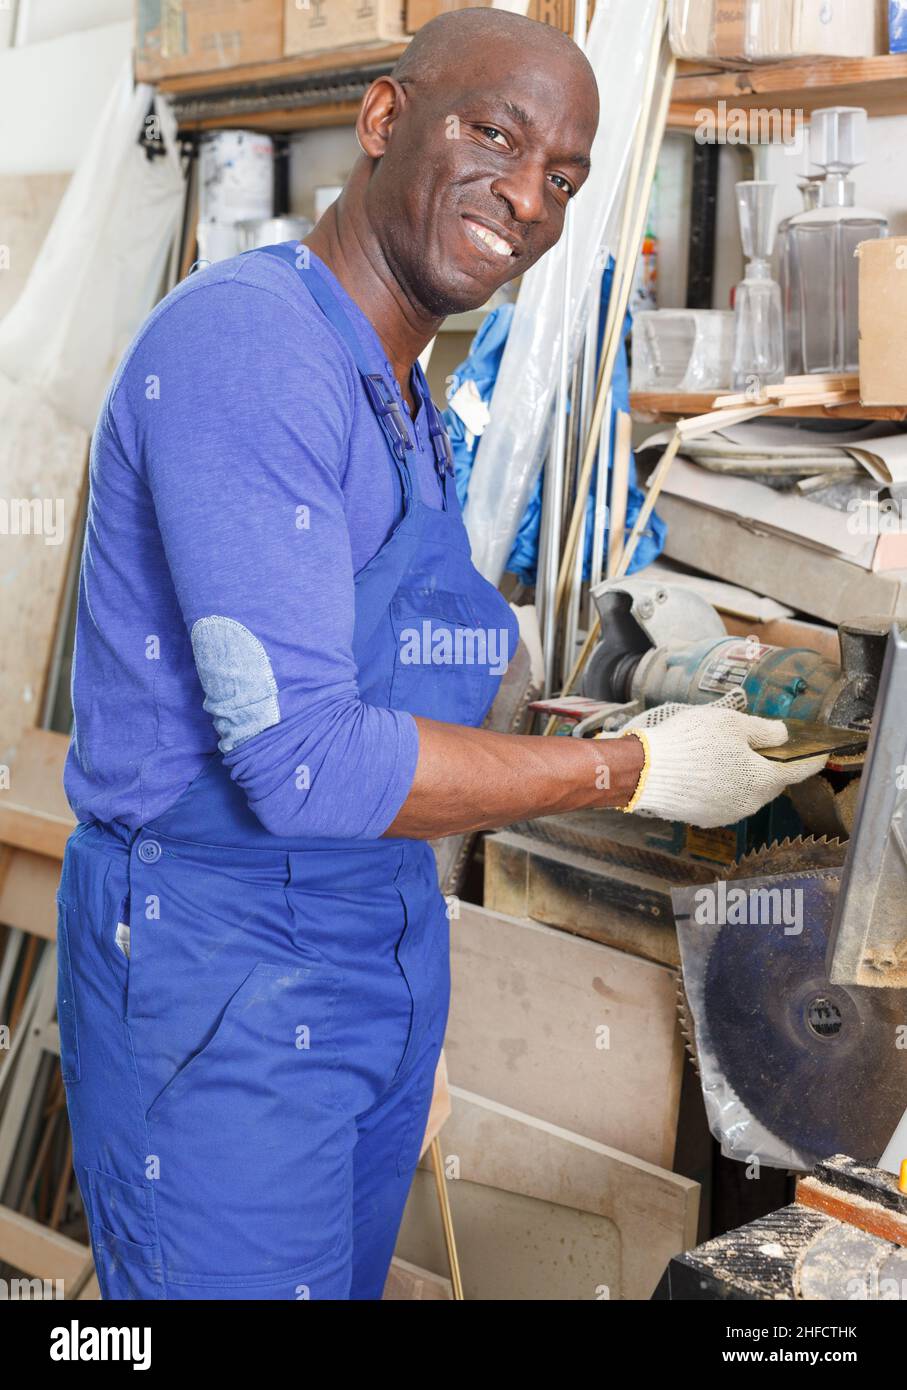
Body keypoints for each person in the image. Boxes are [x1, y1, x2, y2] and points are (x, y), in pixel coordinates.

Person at [58, 7, 823, 1300]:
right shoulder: (249, 350)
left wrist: (393, 1011)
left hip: (364, 963)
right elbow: (307, 766)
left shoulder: (409, 399)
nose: (528, 197)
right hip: (221, 991)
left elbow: (389, 706)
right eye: (494, 135)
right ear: (381, 120)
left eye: (566, 180)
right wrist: (632, 770)